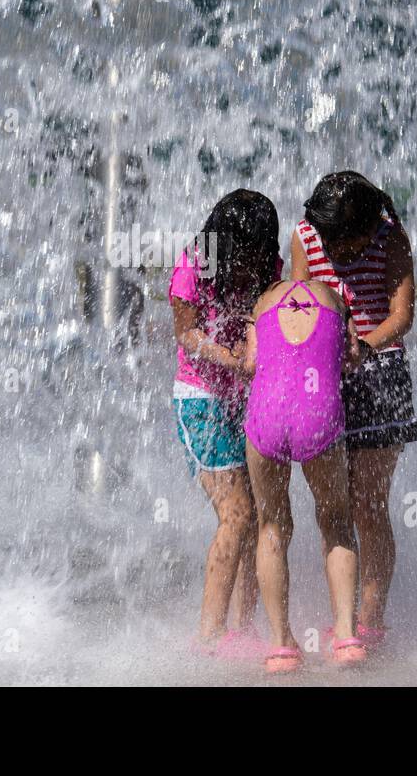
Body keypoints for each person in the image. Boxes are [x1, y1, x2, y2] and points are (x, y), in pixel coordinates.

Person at [292, 171, 417, 647]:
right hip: (322, 378)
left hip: (380, 376)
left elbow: (402, 315)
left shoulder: (391, 239)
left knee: (369, 506)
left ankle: (371, 617)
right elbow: (297, 304)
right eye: (332, 245)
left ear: (369, 229)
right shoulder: (306, 237)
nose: (338, 255)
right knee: (333, 506)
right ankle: (343, 617)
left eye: (346, 247)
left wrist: (364, 346)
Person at [169, 189, 280, 655]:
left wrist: (255, 354)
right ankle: (208, 635)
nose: (252, 264)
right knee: (235, 515)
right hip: (200, 398)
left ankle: (242, 629)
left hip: (244, 399)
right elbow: (186, 333)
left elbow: (261, 319)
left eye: (261, 252)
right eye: (245, 254)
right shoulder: (192, 267)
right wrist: (231, 359)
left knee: (255, 516)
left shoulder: (267, 266)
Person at [243, 279, 365, 673]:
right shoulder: (336, 298)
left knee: (272, 526)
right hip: (318, 412)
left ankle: (281, 647)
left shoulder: (262, 302)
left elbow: (250, 364)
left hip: (268, 410)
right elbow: (352, 357)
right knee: (336, 521)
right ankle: (346, 636)